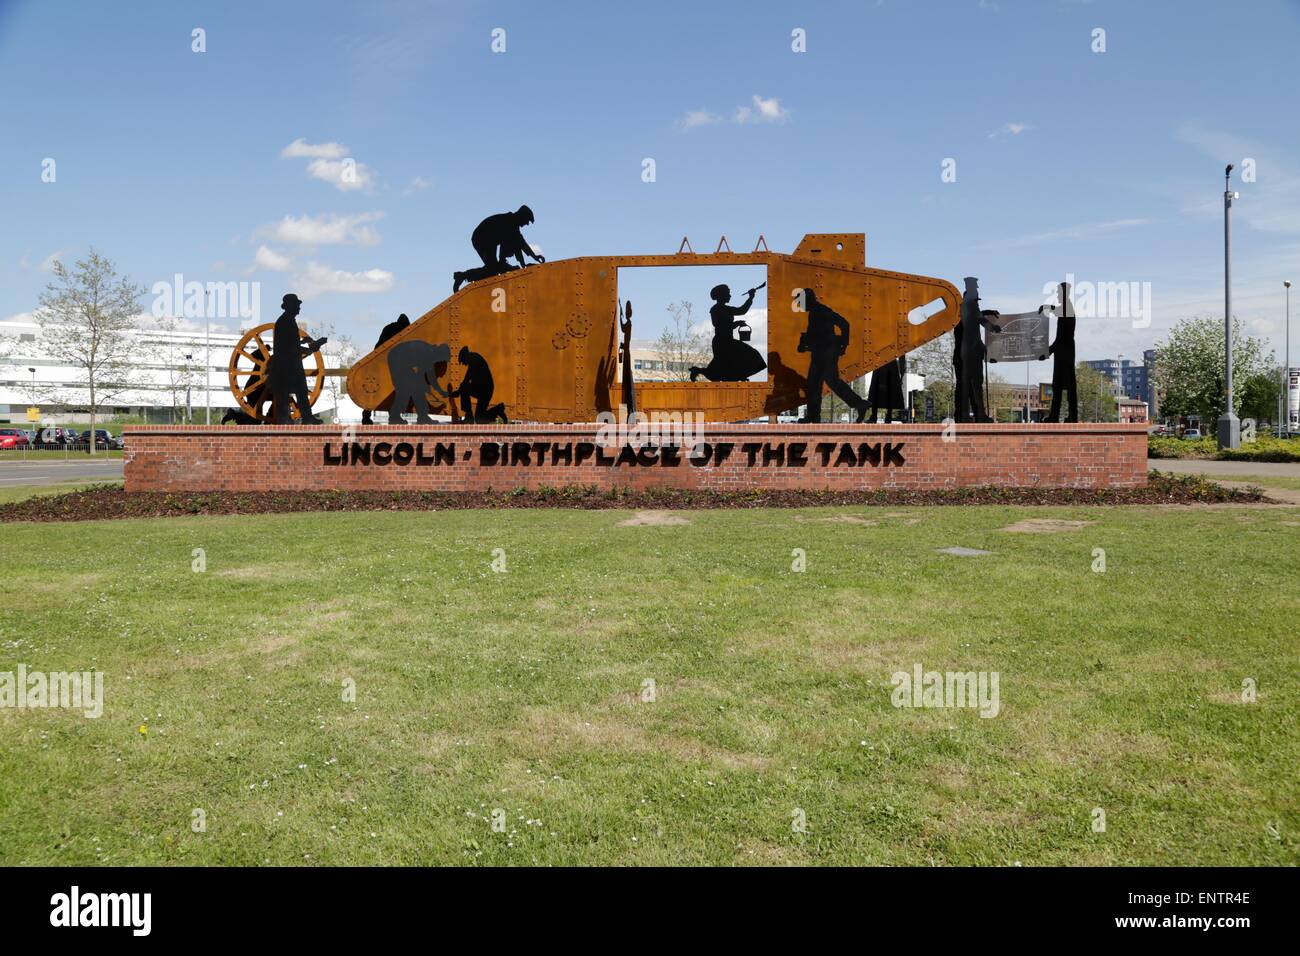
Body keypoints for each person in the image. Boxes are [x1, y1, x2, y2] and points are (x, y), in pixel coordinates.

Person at [797, 288, 868, 423]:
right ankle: (814, 416)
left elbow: (844, 324)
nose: (800, 305)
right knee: (817, 383)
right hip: (822, 351)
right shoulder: (815, 312)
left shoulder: (822, 311)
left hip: (826, 352)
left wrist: (843, 345)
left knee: (824, 382)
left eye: (801, 302)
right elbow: (815, 334)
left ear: (808, 300)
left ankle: (859, 404)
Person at [453, 205, 544, 292]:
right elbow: (517, 245)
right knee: (493, 269)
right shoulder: (510, 223)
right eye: (527, 221)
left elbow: (519, 244)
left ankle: (464, 276)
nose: (527, 224)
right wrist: (506, 264)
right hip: (482, 238)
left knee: (493, 269)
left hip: (486, 239)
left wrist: (532, 258)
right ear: (522, 216)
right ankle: (462, 276)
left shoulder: (512, 224)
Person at [690, 284, 767, 382]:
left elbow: (741, 311)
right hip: (723, 342)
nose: (730, 296)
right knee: (750, 356)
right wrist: (750, 298)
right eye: (728, 294)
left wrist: (750, 298)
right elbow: (721, 325)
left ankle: (698, 371)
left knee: (726, 366)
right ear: (722, 295)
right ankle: (737, 376)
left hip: (725, 341)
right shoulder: (717, 309)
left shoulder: (721, 309)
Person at [269, 293, 327, 424]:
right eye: (297, 305)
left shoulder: (285, 321)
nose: (299, 308)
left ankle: (297, 418)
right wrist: (311, 348)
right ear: (291, 306)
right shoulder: (286, 321)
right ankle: (301, 418)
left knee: (296, 391)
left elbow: (288, 343)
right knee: (298, 391)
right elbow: (288, 346)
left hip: (287, 364)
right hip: (288, 366)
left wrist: (302, 343)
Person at [954, 277, 1001, 423]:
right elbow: (979, 320)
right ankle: (971, 415)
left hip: (967, 353)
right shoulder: (969, 307)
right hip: (968, 354)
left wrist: (987, 312)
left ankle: (970, 415)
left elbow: (976, 319)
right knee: (971, 385)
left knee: (969, 385)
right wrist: (994, 328)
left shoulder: (965, 309)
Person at [362, 313, 411, 425]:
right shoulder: (399, 331)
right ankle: (394, 417)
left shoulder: (389, 328)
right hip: (389, 364)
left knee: (376, 392)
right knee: (392, 392)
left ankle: (366, 416)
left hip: (379, 362)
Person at [1044, 283, 1079, 423]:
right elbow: (1058, 310)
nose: (1058, 295)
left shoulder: (1067, 307)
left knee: (1066, 385)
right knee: (1060, 385)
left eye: (1059, 293)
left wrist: (1049, 350)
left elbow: (1061, 338)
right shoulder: (1066, 307)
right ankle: (1059, 415)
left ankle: (1068, 415)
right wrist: (1048, 308)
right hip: (1064, 352)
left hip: (1065, 353)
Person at [449, 346, 507, 423]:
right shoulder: (473, 358)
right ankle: (498, 410)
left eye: (463, 361)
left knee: (464, 387)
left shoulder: (474, 359)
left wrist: (458, 392)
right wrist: (459, 391)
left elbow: (467, 378)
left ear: (466, 356)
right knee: (480, 419)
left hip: (485, 390)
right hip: (482, 389)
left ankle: (469, 416)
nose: (463, 364)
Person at [866, 355, 906, 423]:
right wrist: (902, 372)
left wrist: (902, 372)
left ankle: (881, 416)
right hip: (881, 364)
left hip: (885, 364)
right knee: (877, 390)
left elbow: (902, 354)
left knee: (890, 390)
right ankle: (877, 416)